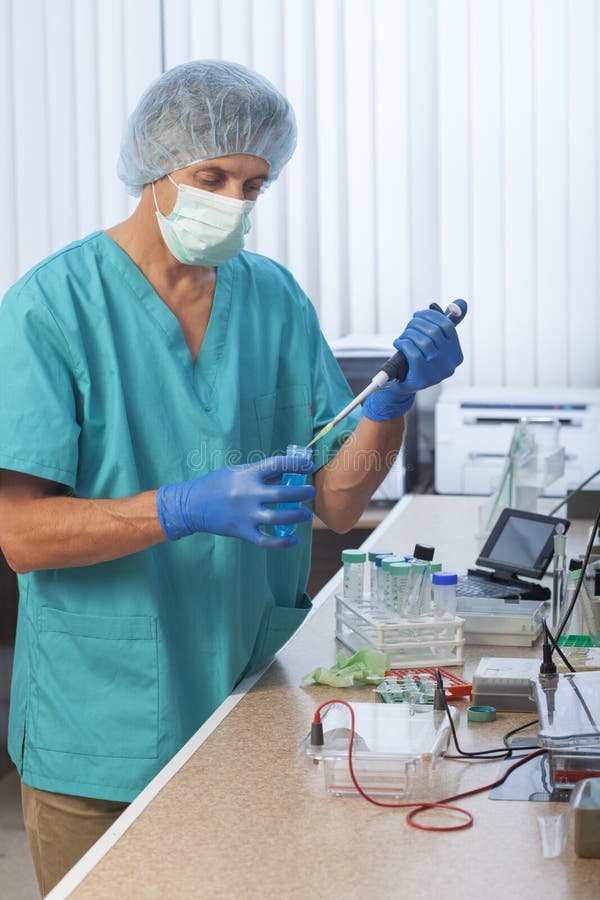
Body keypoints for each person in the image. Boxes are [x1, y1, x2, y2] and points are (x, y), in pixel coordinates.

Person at [0, 59, 466, 894]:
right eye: (211, 175)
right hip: (102, 723)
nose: (234, 201)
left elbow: (337, 500)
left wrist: (390, 403)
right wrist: (178, 508)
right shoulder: (50, 309)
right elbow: (21, 536)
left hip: (250, 695)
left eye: (254, 184)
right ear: (154, 168)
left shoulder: (272, 298)